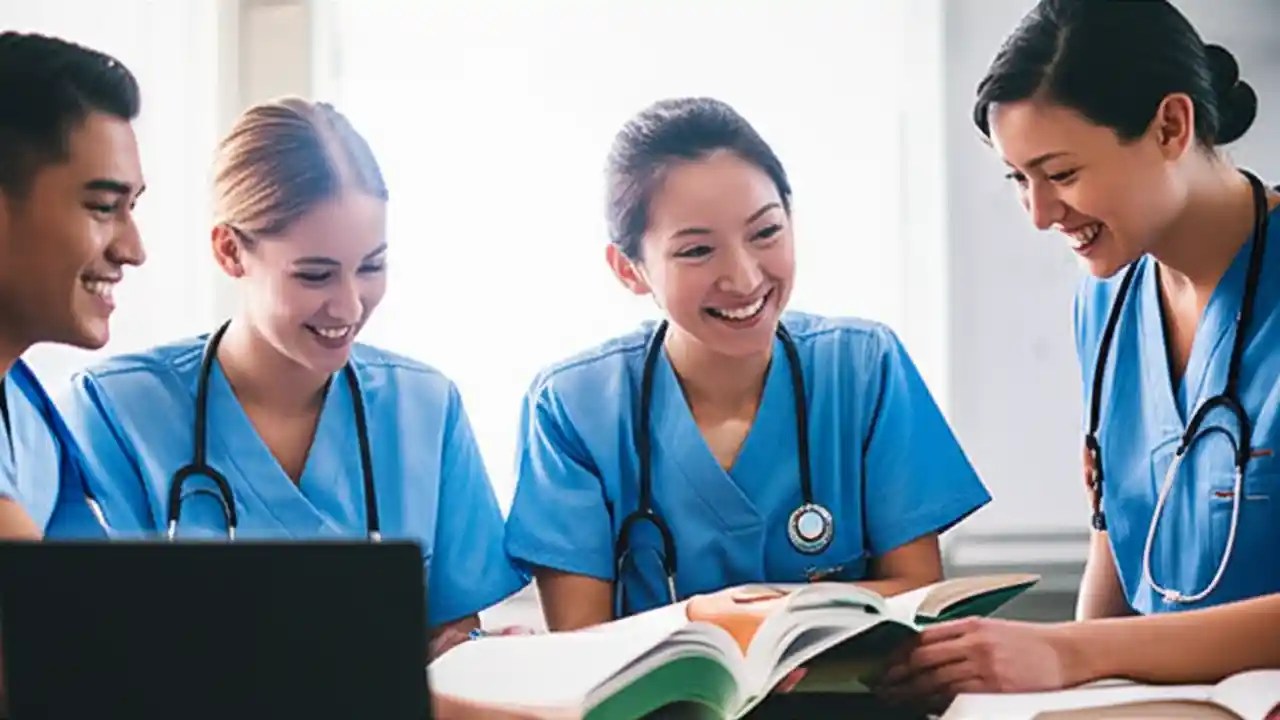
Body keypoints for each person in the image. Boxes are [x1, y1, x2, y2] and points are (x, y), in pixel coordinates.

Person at [879, 0, 1280, 709]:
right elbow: (1118, 546)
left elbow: (1087, 644)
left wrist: (1070, 653)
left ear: (1170, 127)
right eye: (1018, 179)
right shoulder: (1108, 298)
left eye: (1059, 173)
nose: (1039, 214)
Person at [57, 97, 526, 658]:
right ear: (230, 251)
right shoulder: (114, 411)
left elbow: (449, 644)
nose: (350, 305)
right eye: (315, 274)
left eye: (371, 266)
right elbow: (91, 653)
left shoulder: (424, 407)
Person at [503, 96, 992, 632]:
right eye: (696, 251)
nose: (744, 278)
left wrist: (765, 615)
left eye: (765, 233)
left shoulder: (863, 368)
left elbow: (919, 597)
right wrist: (702, 618)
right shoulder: (573, 408)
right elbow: (579, 646)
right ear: (630, 269)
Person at [0, 32, 147, 540]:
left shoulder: (25, 411)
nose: (132, 249)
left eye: (133, 208)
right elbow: (44, 607)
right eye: (104, 208)